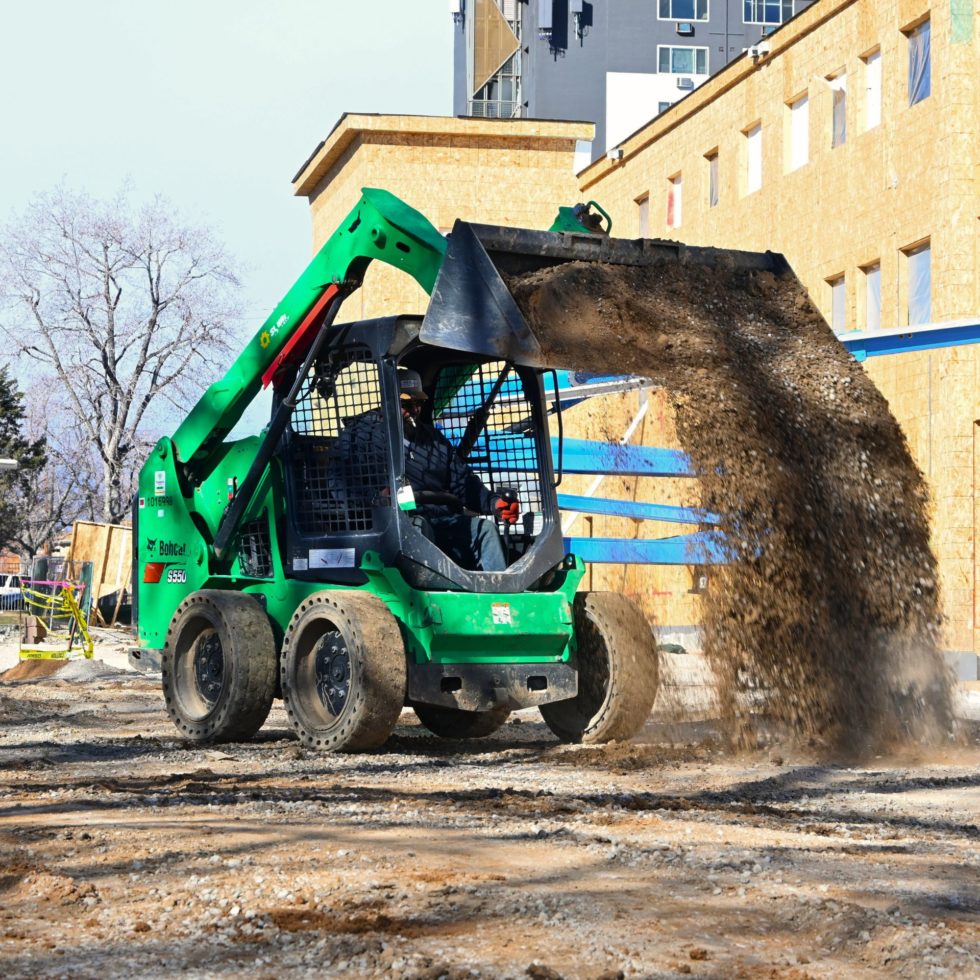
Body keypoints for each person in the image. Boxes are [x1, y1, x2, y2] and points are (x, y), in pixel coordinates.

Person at [336, 368, 519, 571]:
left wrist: (493, 503)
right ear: (388, 402)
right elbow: (337, 481)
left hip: (440, 520)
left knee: (486, 530)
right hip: (393, 526)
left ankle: (498, 590)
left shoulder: (434, 441)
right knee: (420, 529)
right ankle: (428, 587)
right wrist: (374, 498)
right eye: (406, 404)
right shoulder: (360, 436)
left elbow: (462, 481)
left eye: (418, 404)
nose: (414, 410)